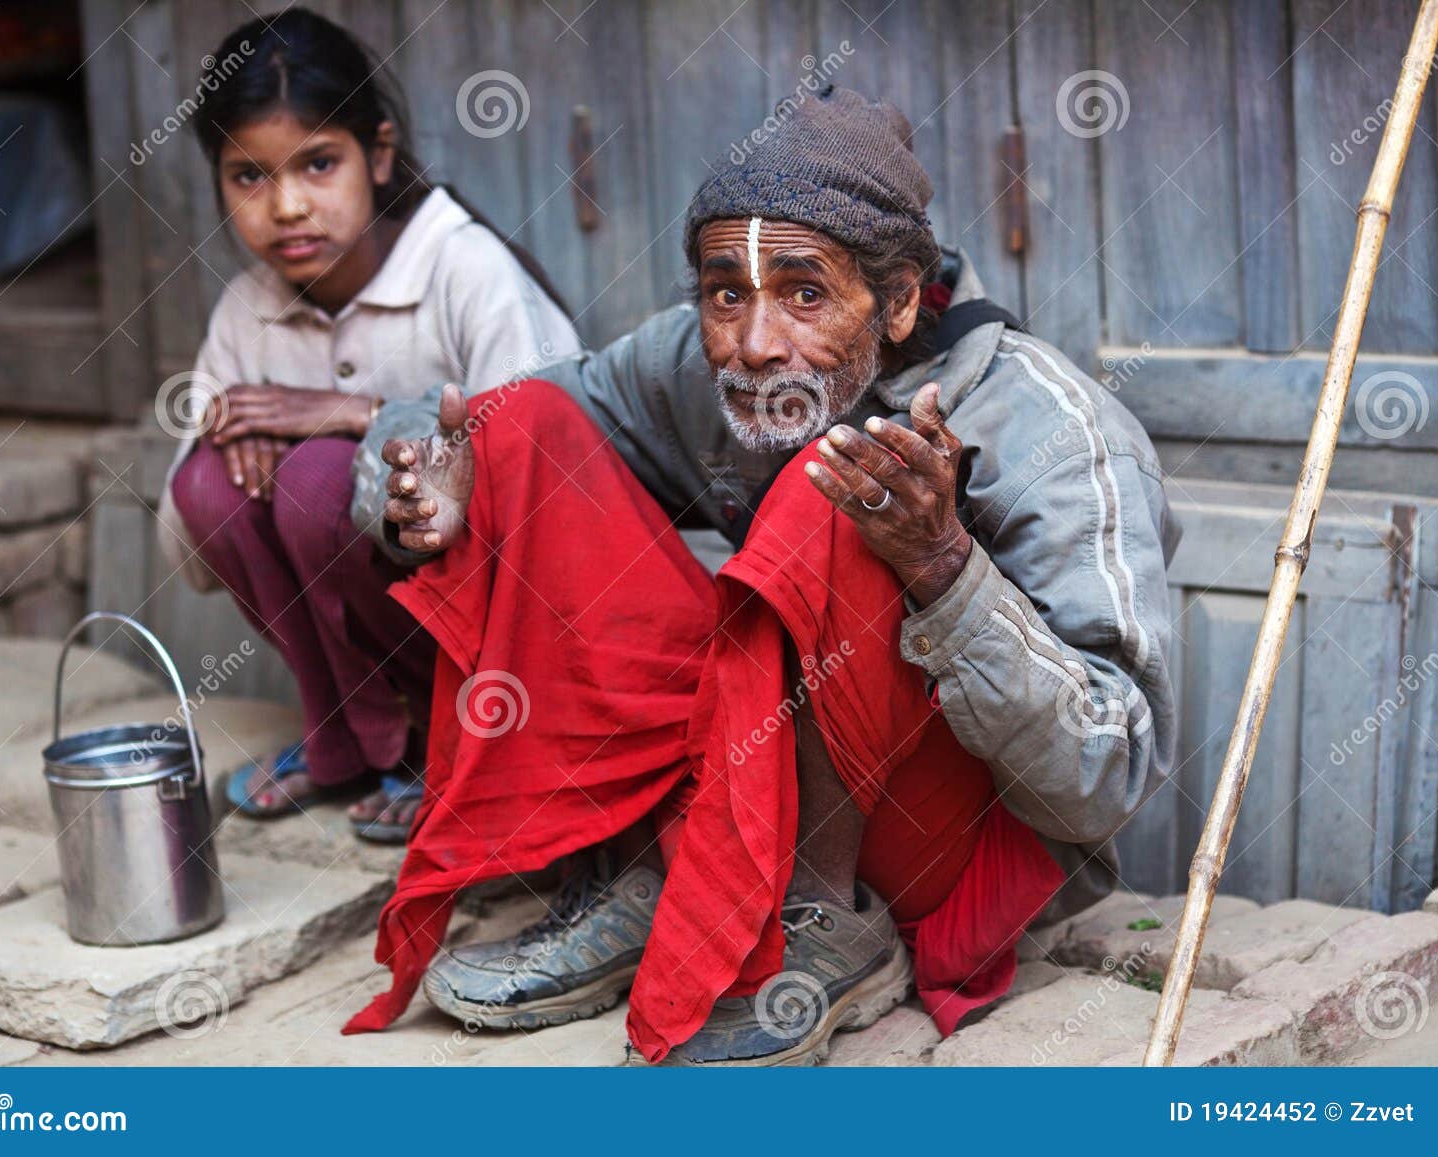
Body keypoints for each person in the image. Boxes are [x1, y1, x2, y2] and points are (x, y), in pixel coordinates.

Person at [342, 88, 1180, 1064]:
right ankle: (667, 872)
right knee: (522, 433)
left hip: (938, 852)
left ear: (902, 297)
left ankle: (823, 928)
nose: (752, 342)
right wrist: (422, 498)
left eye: (805, 293)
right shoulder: (693, 365)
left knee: (826, 492)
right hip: (749, 786)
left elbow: (1106, 776)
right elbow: (456, 426)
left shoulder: (1055, 430)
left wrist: (943, 568)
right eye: (723, 293)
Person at [153, 8, 578, 841]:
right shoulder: (248, 312)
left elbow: (557, 483)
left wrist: (358, 419)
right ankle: (341, 737)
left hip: (506, 640)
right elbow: (188, 551)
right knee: (210, 477)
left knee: (323, 481)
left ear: (378, 154)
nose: (286, 205)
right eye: (248, 176)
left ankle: (446, 741)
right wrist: (234, 445)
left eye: (318, 163)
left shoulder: (462, 268)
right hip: (386, 620)